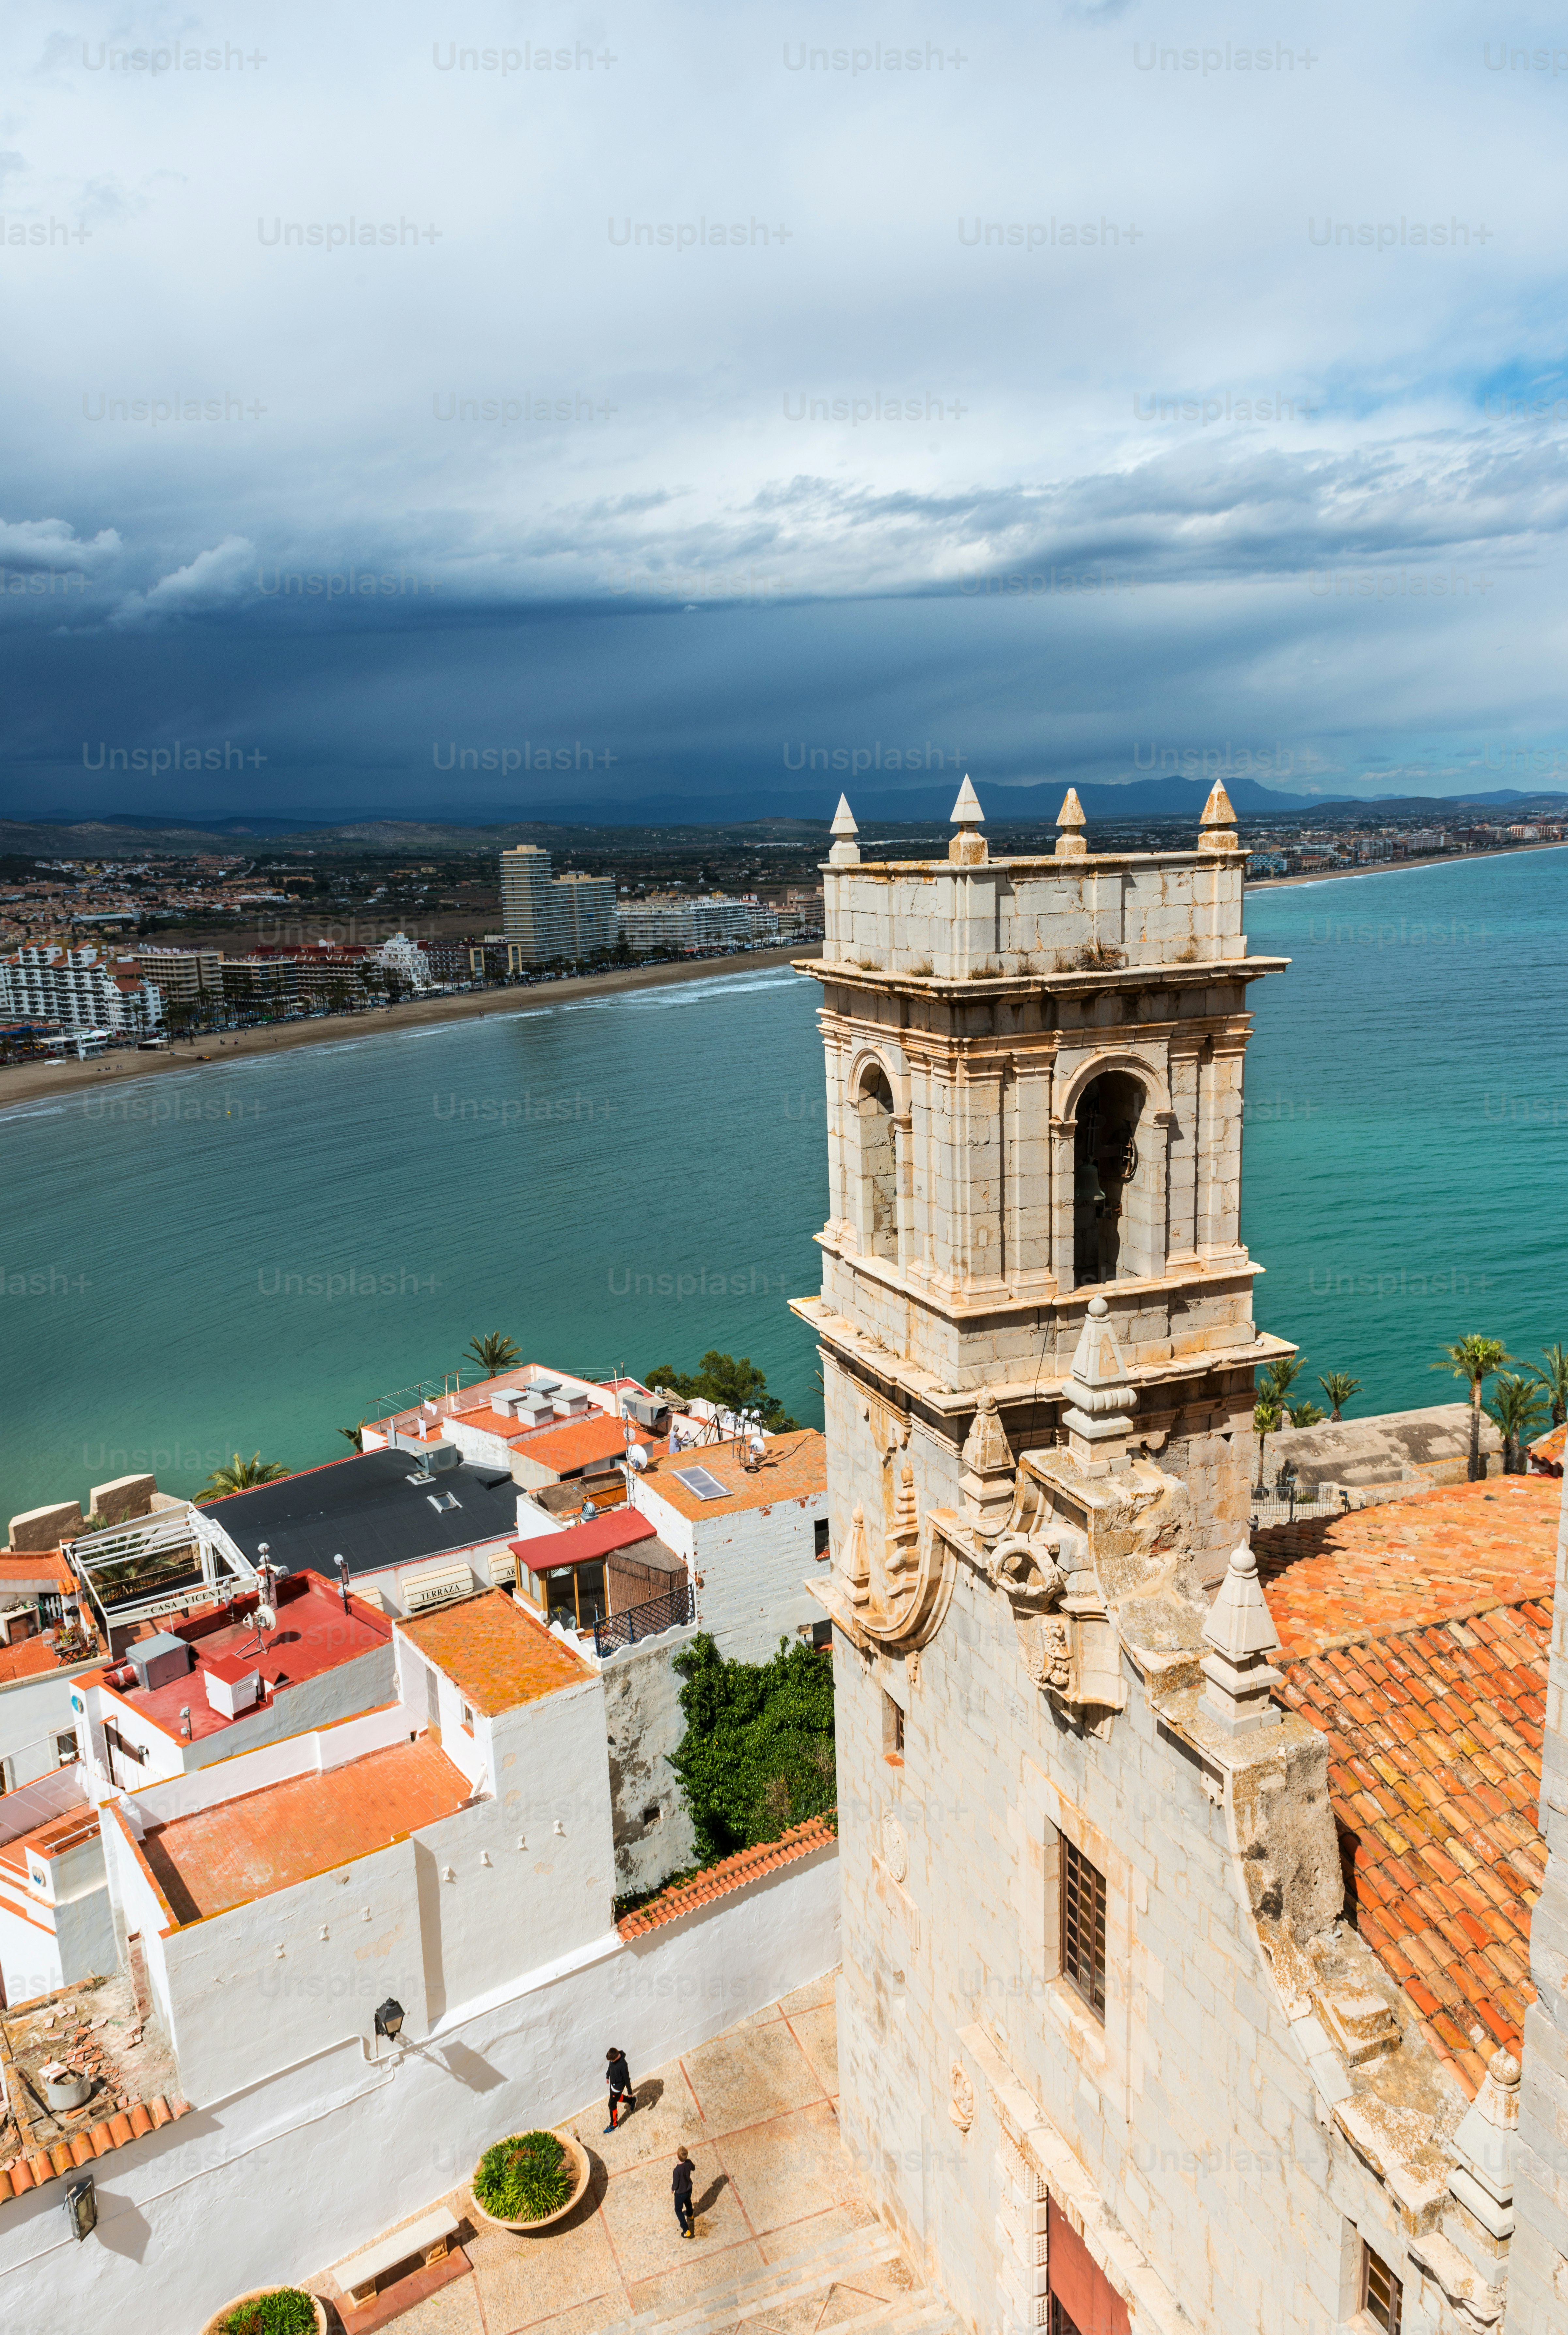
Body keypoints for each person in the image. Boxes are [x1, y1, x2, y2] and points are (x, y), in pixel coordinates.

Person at [604, 2045, 635, 2132]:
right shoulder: (613, 2059)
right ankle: (632, 2101)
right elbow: (610, 2067)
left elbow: (627, 2079)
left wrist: (630, 2092)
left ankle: (614, 2125)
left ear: (616, 2058)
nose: (611, 2062)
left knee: (611, 2105)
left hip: (618, 2087)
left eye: (611, 2060)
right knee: (616, 2099)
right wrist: (608, 2076)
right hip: (613, 2085)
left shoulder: (623, 2065)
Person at [672, 2145, 695, 2238]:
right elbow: (693, 2168)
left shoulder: (677, 2170)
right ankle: (690, 2215)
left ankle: (686, 2231)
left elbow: (676, 2184)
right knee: (688, 2201)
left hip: (680, 2193)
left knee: (678, 2210)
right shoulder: (689, 2162)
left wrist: (673, 2189)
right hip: (689, 2189)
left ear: (677, 2156)